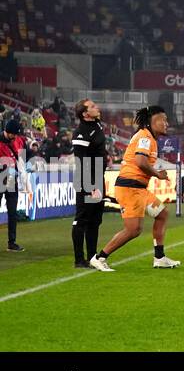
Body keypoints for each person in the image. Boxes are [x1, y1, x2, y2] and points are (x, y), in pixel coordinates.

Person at [89, 105, 181, 271]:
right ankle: (99, 257)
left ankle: (159, 258)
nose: (166, 123)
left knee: (162, 214)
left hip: (139, 189)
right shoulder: (145, 137)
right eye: (163, 120)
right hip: (130, 188)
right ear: (152, 122)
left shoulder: (149, 138)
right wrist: (157, 174)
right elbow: (140, 161)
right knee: (133, 230)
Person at [71, 98, 110, 268]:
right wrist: (91, 187)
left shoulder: (96, 125)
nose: (97, 107)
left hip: (97, 179)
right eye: (93, 106)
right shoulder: (81, 132)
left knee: (95, 220)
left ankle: (92, 257)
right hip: (86, 181)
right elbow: (82, 161)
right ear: (85, 114)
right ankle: (79, 260)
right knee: (82, 219)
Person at [0, 117, 27, 252]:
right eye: (13, 134)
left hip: (11, 180)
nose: (14, 137)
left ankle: (12, 242)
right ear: (7, 131)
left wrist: (23, 178)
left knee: (12, 212)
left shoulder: (18, 141)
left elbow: (21, 160)